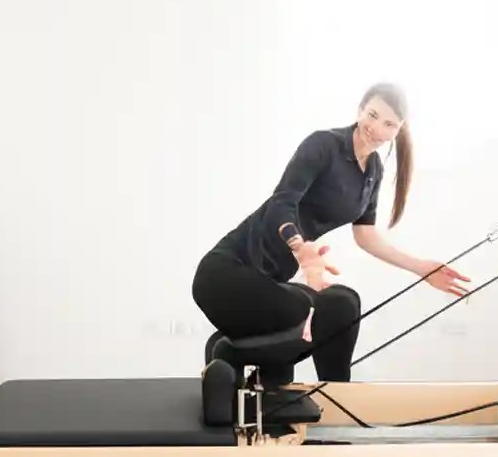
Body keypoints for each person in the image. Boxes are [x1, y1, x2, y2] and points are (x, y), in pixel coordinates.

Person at [192, 83, 471, 388]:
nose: (376, 128)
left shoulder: (373, 171)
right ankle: (229, 352)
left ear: (399, 128)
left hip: (269, 286)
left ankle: (336, 400)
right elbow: (281, 203)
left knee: (344, 304)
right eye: (373, 115)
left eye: (389, 124)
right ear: (360, 109)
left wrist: (421, 268)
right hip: (225, 274)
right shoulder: (324, 145)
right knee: (305, 314)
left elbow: (365, 235)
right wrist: (300, 249)